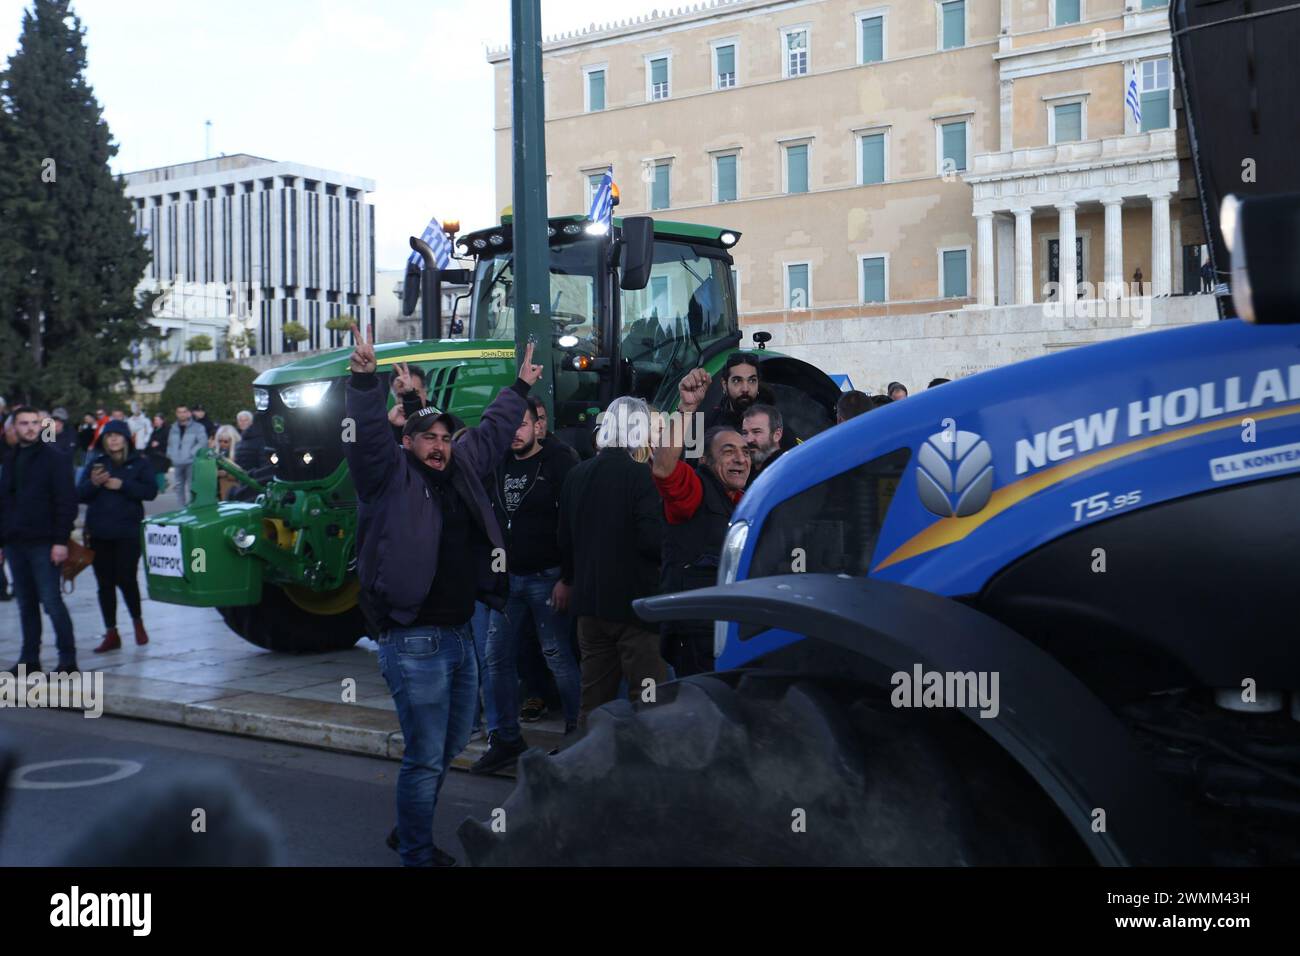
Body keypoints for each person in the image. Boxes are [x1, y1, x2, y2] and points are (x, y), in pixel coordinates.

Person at [344, 322, 537, 868]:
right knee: (426, 755)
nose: (439, 445)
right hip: (413, 639)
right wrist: (364, 382)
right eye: (429, 437)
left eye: (446, 437)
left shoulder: (462, 470)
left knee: (450, 746)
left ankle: (408, 827)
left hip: (459, 633)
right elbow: (365, 437)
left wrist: (519, 388)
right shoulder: (386, 477)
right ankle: (417, 852)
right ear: (407, 442)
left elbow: (495, 431)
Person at [472, 400, 581, 774]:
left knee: (557, 654)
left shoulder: (559, 462)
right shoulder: (494, 464)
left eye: (523, 424)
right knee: (496, 658)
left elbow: (571, 523)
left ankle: (577, 732)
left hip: (547, 578)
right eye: (510, 425)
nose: (516, 431)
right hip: (506, 581)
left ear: (537, 426)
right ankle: (505, 739)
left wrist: (567, 577)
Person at [557, 395, 669, 719]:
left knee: (594, 703)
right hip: (637, 610)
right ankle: (644, 767)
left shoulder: (576, 475)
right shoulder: (642, 476)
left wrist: (570, 579)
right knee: (649, 701)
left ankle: (589, 765)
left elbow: (563, 540)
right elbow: (652, 541)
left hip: (589, 608)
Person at [652, 370, 750, 676]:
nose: (740, 459)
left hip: (730, 630)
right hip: (697, 636)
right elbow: (664, 468)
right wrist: (686, 409)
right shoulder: (695, 489)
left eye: (745, 452)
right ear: (705, 461)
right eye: (728, 451)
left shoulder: (746, 500)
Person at [0, 407, 79, 674]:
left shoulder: (54, 458)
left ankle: (67, 661)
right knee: (25, 603)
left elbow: (66, 502)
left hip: (44, 542)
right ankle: (29, 659)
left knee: (51, 601)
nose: (30, 428)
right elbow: (4, 503)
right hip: (15, 542)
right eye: (24, 423)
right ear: (13, 428)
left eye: (35, 423)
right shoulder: (10, 459)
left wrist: (60, 541)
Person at [78, 419, 157, 653]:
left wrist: (122, 485)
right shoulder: (96, 463)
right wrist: (94, 484)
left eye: (117, 435)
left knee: (127, 579)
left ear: (125, 439)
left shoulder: (139, 463)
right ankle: (111, 632)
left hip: (127, 533)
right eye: (109, 436)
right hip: (99, 533)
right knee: (104, 584)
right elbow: (80, 494)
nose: (113, 439)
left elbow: (151, 491)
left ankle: (137, 621)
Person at [166, 404, 207, 507]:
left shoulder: (198, 427)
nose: (182, 414)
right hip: (177, 462)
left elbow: (203, 442)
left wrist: (191, 453)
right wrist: (171, 455)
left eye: (184, 412)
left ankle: (193, 507)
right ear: (176, 414)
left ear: (188, 413)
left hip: (191, 462)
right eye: (179, 412)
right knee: (179, 487)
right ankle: (181, 510)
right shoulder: (173, 427)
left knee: (192, 487)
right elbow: (170, 443)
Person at [740, 403, 784, 484]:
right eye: (745, 433)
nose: (749, 440)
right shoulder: (743, 470)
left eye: (756, 432)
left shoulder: (783, 474)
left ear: (777, 435)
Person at [213, 425, 241, 500]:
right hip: (217, 489)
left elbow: (243, 472)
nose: (222, 444)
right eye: (220, 441)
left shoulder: (239, 452)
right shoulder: (216, 452)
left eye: (226, 441)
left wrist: (227, 473)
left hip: (231, 489)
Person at [145, 413, 171, 492]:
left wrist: (159, 443)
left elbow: (169, 441)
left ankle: (161, 487)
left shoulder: (167, 430)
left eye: (157, 420)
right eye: (154, 420)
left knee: (159, 470)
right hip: (153, 453)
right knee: (152, 469)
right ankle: (161, 484)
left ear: (162, 421)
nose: (155, 421)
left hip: (162, 454)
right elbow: (150, 442)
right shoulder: (154, 430)